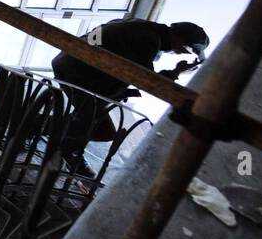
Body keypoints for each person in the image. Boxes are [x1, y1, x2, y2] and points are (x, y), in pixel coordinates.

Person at [51, 18, 209, 173]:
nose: (180, 53)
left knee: (100, 125)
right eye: (187, 50)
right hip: (82, 72)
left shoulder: (138, 25)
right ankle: (68, 153)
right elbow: (148, 81)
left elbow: (100, 38)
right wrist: (176, 72)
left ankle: (42, 126)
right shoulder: (149, 40)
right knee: (94, 122)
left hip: (68, 61)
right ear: (179, 38)